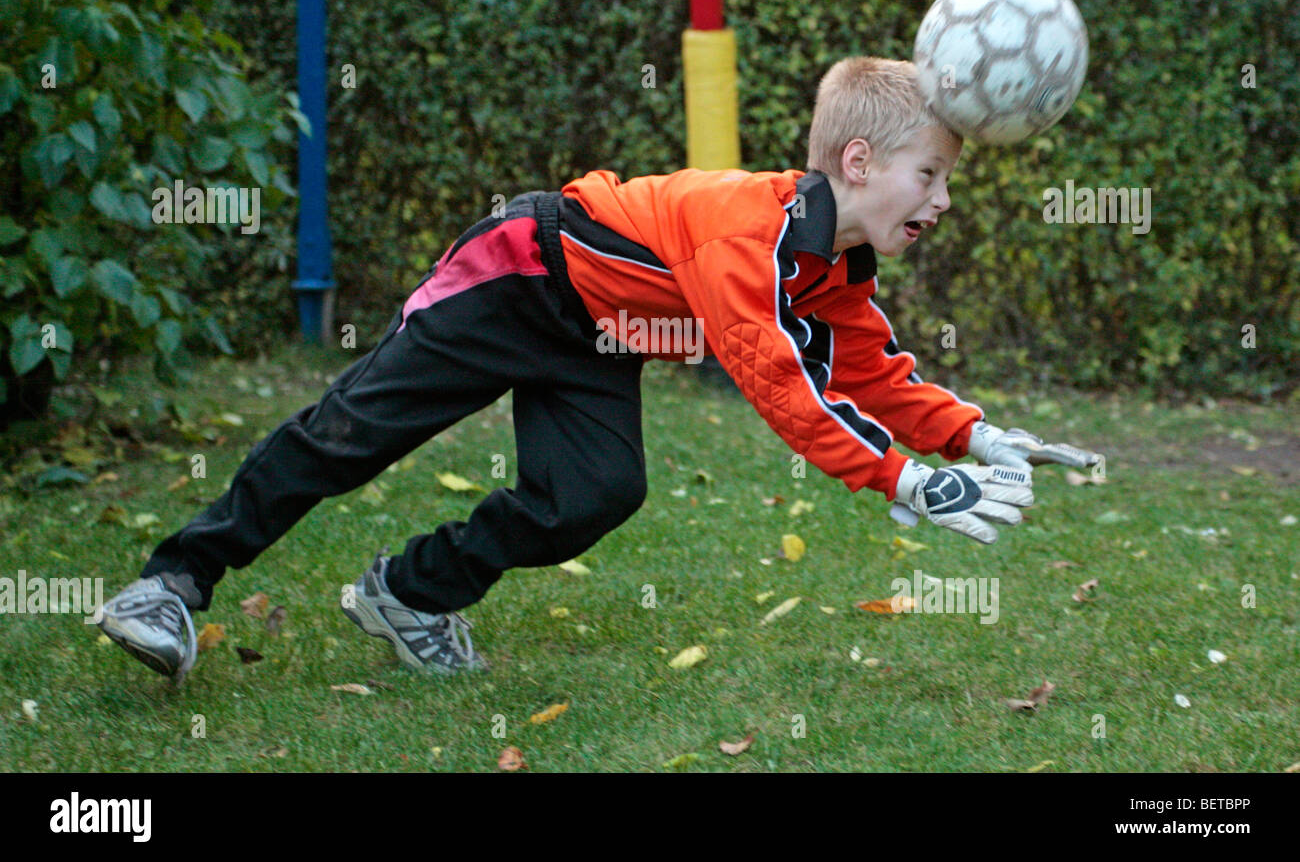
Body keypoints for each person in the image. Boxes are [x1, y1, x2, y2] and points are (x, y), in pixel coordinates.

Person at [98, 56, 1100, 683]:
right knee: (350, 434)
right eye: (929, 174)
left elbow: (870, 369)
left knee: (596, 492)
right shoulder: (747, 234)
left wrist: (970, 433)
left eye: (945, 180)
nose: (943, 197)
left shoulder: (834, 260)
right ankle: (173, 584)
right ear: (856, 161)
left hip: (595, 332)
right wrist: (902, 479)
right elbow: (778, 381)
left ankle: (408, 591)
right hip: (517, 272)